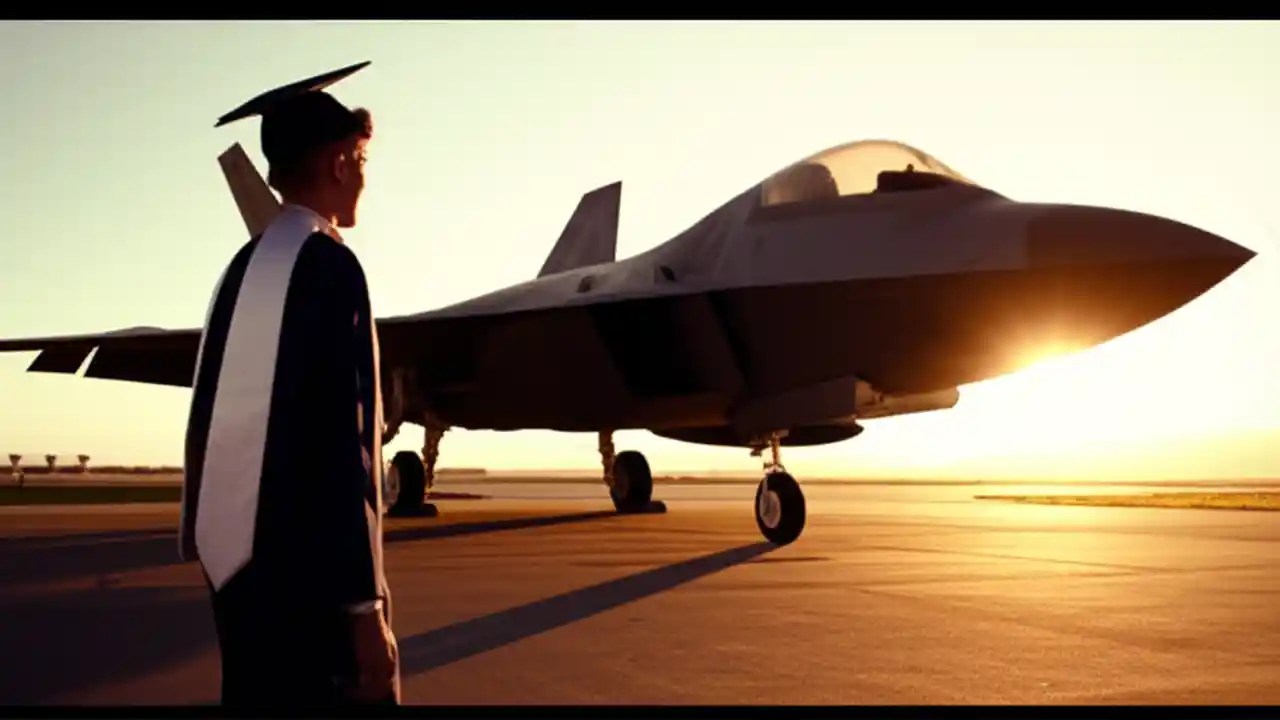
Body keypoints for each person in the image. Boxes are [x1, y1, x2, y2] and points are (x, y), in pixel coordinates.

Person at [177, 61, 399, 707]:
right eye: (361, 158)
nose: (363, 174)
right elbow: (340, 446)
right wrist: (364, 609)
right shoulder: (330, 268)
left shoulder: (241, 270)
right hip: (318, 595)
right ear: (338, 164)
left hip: (241, 583)